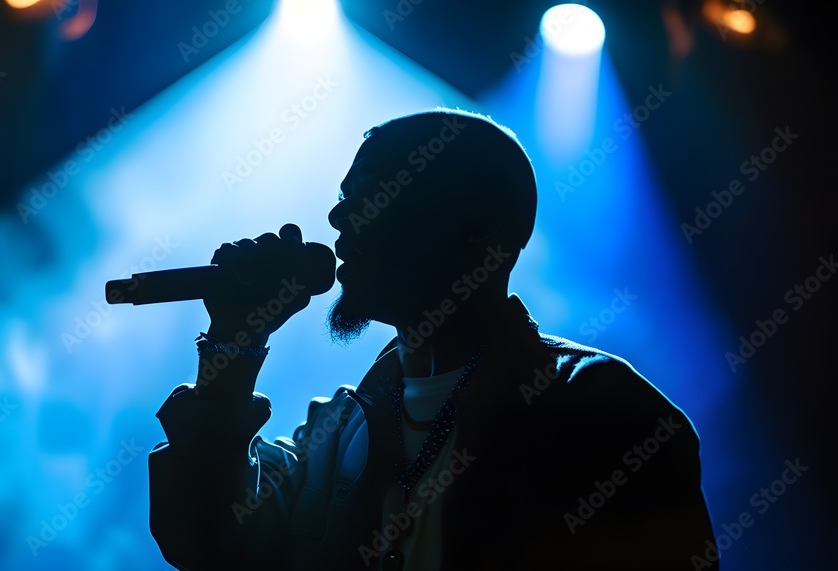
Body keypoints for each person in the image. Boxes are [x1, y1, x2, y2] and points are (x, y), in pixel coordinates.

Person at [148, 109, 717, 570]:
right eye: (344, 195)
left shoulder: (599, 411)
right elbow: (208, 542)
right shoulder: (339, 429)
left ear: (473, 235)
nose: (338, 216)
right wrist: (235, 339)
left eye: (372, 195)